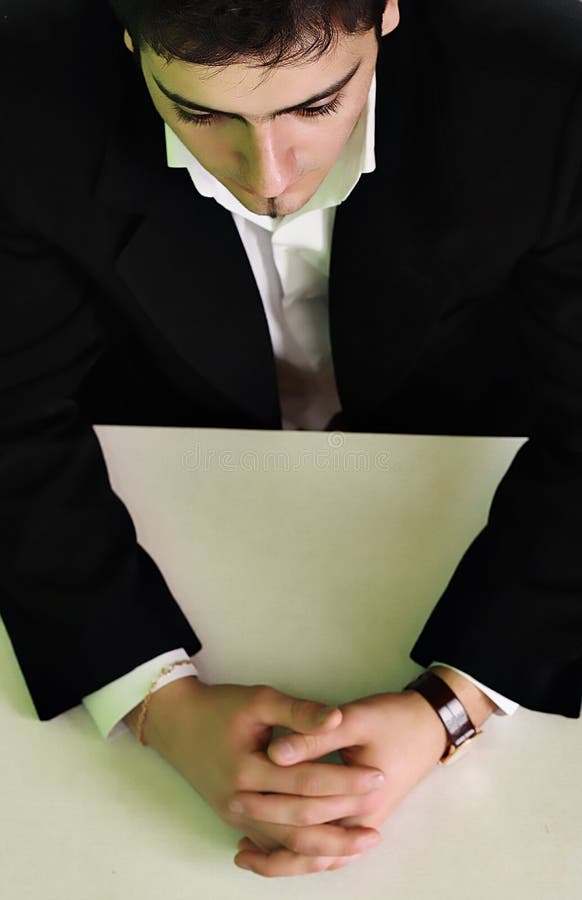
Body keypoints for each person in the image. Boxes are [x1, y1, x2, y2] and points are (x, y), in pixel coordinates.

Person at [1, 0, 581, 880]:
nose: (267, 173)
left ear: (388, 13)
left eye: (316, 107)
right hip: (177, 473)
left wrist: (454, 706)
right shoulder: (24, 104)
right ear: (128, 36)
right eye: (199, 112)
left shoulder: (547, 97)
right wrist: (150, 698)